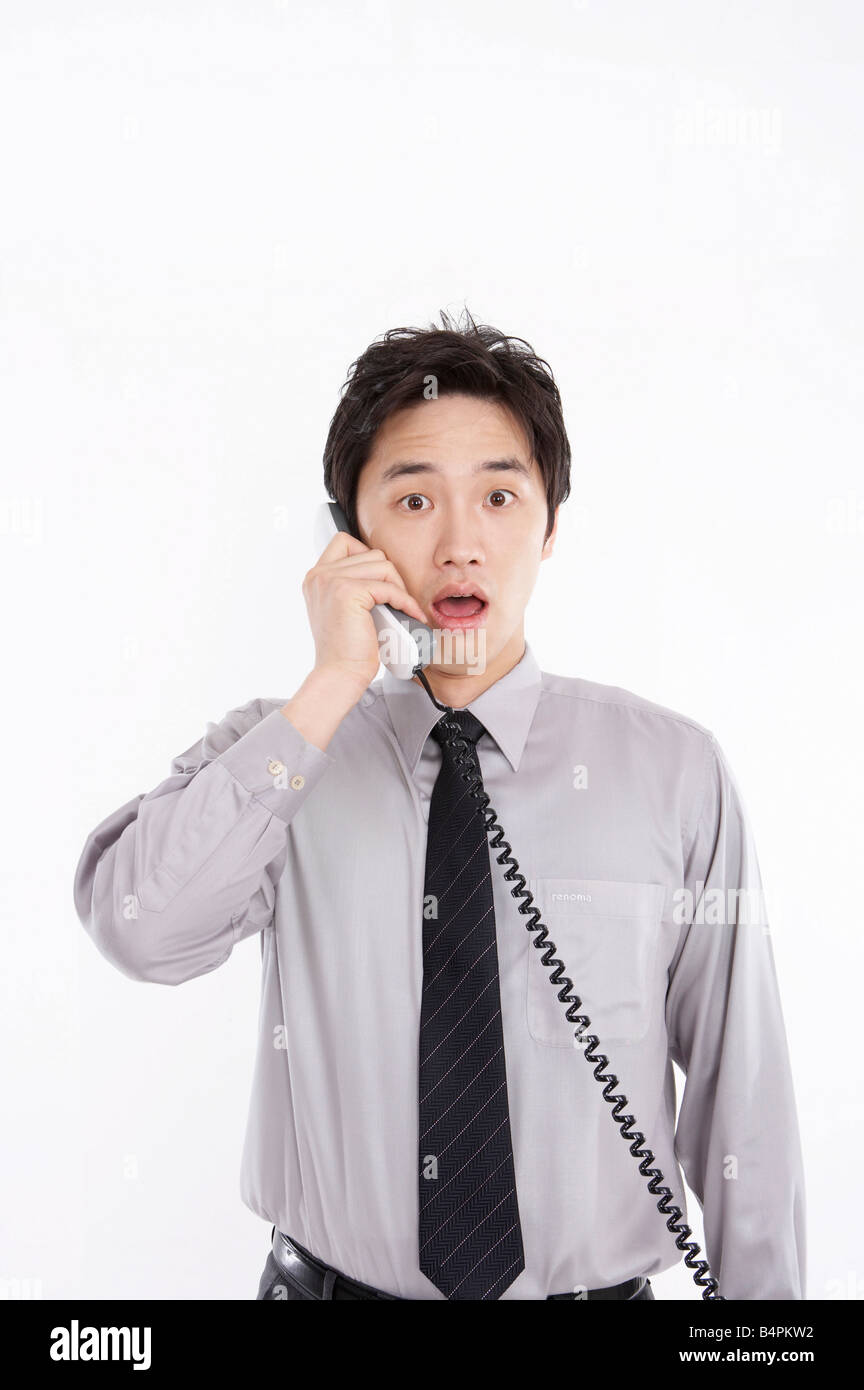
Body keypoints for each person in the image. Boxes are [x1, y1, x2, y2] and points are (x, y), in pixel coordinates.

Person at [73, 309, 806, 1300]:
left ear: (550, 527)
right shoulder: (277, 753)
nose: (462, 543)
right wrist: (331, 682)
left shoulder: (672, 770)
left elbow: (742, 1101)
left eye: (500, 495)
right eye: (414, 501)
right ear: (353, 542)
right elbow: (142, 931)